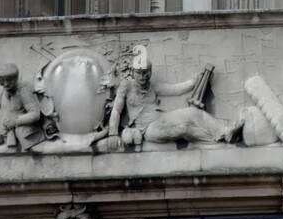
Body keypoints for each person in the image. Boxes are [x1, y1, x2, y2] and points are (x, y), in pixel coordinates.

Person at [100, 48, 239, 149]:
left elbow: (176, 89)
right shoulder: (126, 86)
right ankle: (214, 142)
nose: (143, 77)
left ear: (150, 72)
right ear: (132, 72)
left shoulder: (153, 86)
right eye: (139, 73)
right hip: (147, 129)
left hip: (161, 119)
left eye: (146, 73)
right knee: (183, 128)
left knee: (193, 112)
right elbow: (116, 111)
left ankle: (225, 131)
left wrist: (196, 79)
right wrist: (112, 133)